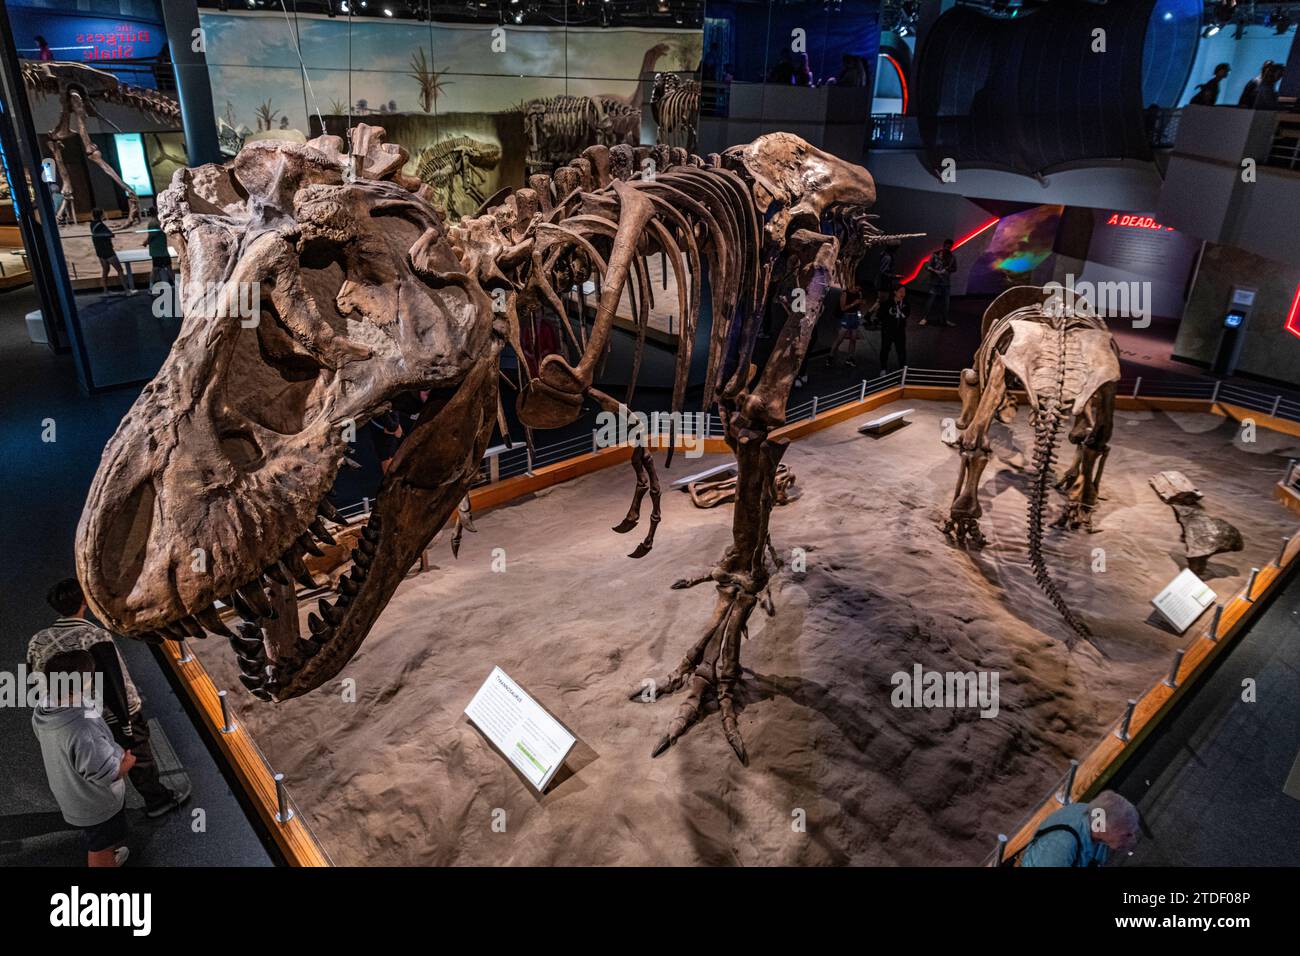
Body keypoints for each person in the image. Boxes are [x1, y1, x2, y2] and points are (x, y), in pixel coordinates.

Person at [30, 578, 190, 820]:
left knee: (84, 761)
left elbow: (34, 681)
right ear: (85, 601)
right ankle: (157, 800)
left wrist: (47, 716)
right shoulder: (93, 636)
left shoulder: (37, 640)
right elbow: (114, 680)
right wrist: (127, 717)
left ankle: (105, 811)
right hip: (106, 713)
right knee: (137, 755)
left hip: (63, 716)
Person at [32, 648, 135, 866]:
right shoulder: (82, 728)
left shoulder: (44, 707)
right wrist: (126, 763)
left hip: (72, 791)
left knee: (99, 838)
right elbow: (106, 774)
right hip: (95, 803)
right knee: (99, 845)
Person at [1018, 790, 1141, 867]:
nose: (1133, 840)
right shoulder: (1061, 845)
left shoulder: (1099, 821)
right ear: (1107, 828)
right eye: (1127, 834)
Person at [90, 208, 133, 294]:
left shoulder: (92, 224)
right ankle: (127, 291)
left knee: (105, 270)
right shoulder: (101, 225)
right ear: (101, 215)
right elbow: (110, 234)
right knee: (119, 270)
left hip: (100, 251)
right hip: (107, 251)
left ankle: (105, 291)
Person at [919, 238, 957, 327]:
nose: (948, 248)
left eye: (950, 247)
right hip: (935, 282)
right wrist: (936, 272)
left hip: (946, 283)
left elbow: (955, 268)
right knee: (930, 301)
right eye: (947, 246)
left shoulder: (952, 257)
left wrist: (947, 270)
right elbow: (927, 267)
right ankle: (925, 318)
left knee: (946, 302)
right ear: (944, 245)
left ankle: (944, 320)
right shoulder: (935, 255)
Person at [827, 286, 865, 367]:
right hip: (846, 317)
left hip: (855, 316)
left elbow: (859, 306)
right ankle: (830, 356)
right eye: (856, 288)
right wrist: (854, 303)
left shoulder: (859, 293)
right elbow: (843, 308)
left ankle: (850, 357)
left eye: (859, 289)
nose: (857, 290)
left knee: (853, 339)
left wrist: (861, 305)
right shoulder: (845, 293)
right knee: (840, 338)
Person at [141, 208, 174, 291]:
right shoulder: (153, 223)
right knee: (156, 269)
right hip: (158, 251)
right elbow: (152, 235)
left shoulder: (157, 222)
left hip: (162, 250)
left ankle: (177, 285)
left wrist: (146, 242)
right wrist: (146, 242)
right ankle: (151, 287)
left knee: (168, 267)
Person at [879, 285, 909, 372]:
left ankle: (902, 369)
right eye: (900, 291)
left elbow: (906, 314)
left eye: (904, 292)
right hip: (888, 331)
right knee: (885, 349)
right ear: (895, 292)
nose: (903, 294)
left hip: (900, 331)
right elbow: (880, 315)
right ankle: (883, 368)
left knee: (901, 350)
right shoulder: (887, 303)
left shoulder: (905, 303)